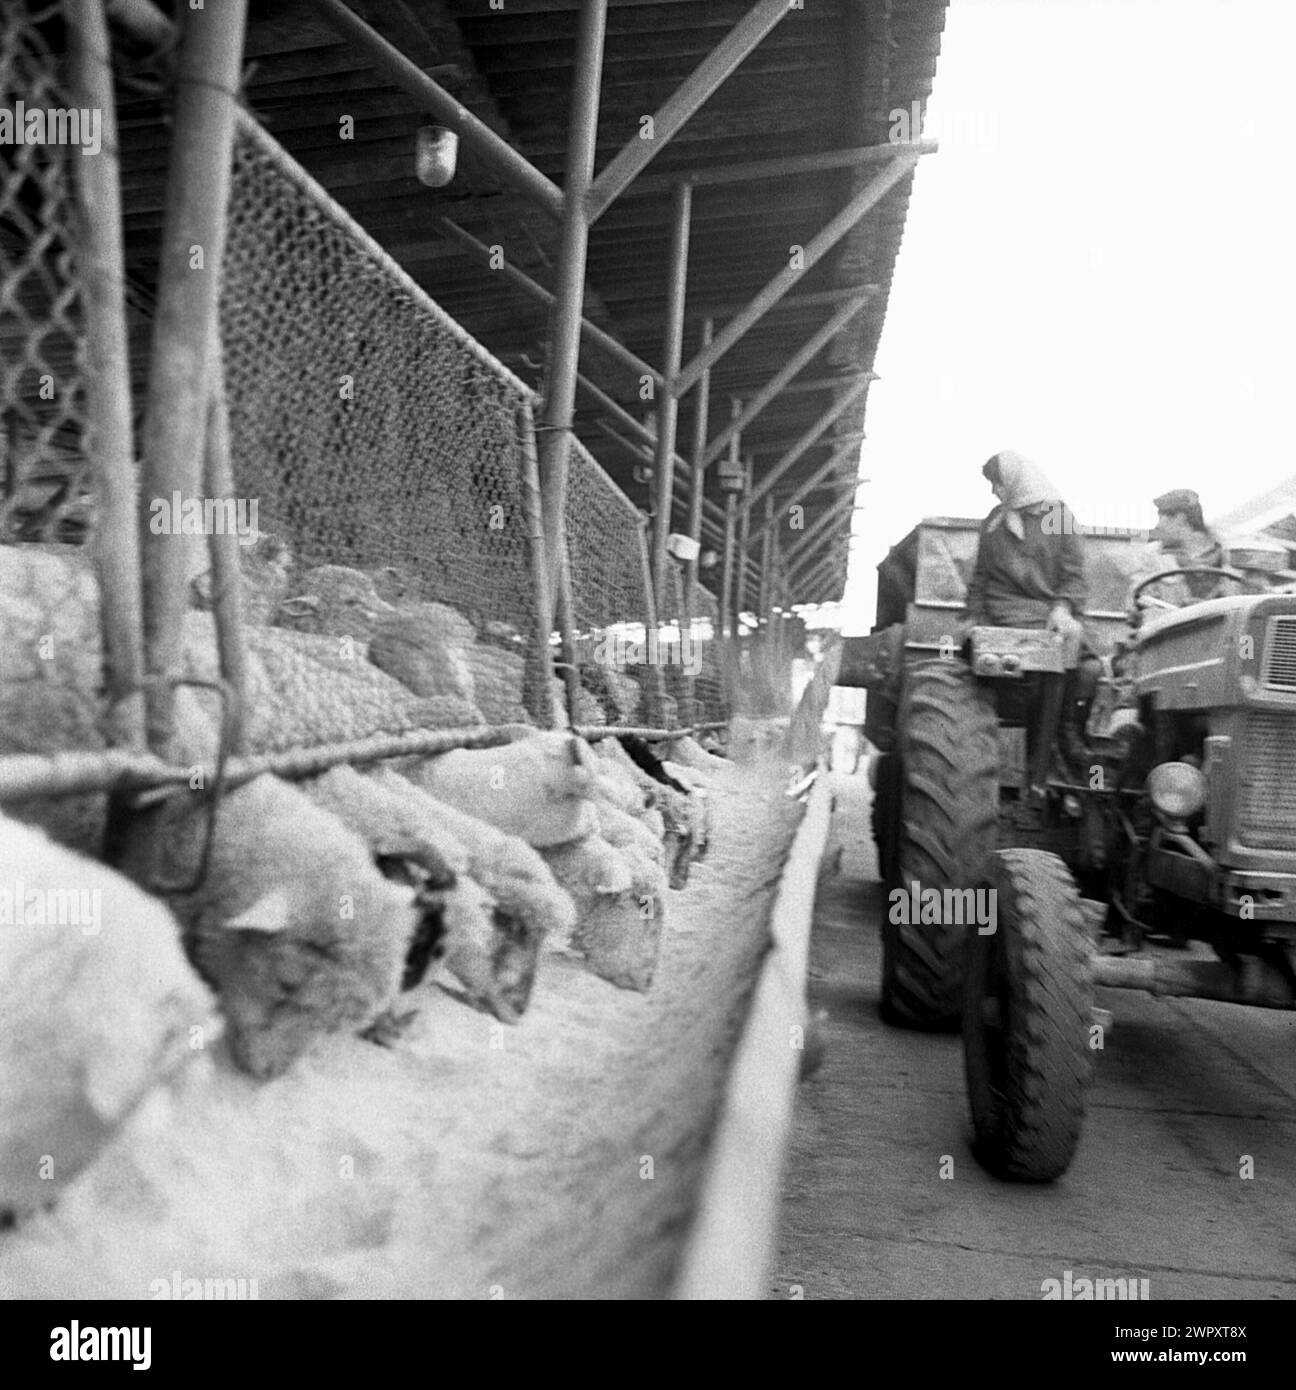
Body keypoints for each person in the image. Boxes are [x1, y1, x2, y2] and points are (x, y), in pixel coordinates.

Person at [963, 450, 1095, 770]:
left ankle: (1065, 732)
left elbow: (1074, 574)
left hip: (1047, 611)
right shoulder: (994, 524)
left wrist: (1063, 608)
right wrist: (973, 618)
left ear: (1015, 480)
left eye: (998, 483)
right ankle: (1021, 749)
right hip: (1002, 610)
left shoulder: (1056, 515)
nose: (995, 491)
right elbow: (980, 579)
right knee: (1013, 662)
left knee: (1088, 667)